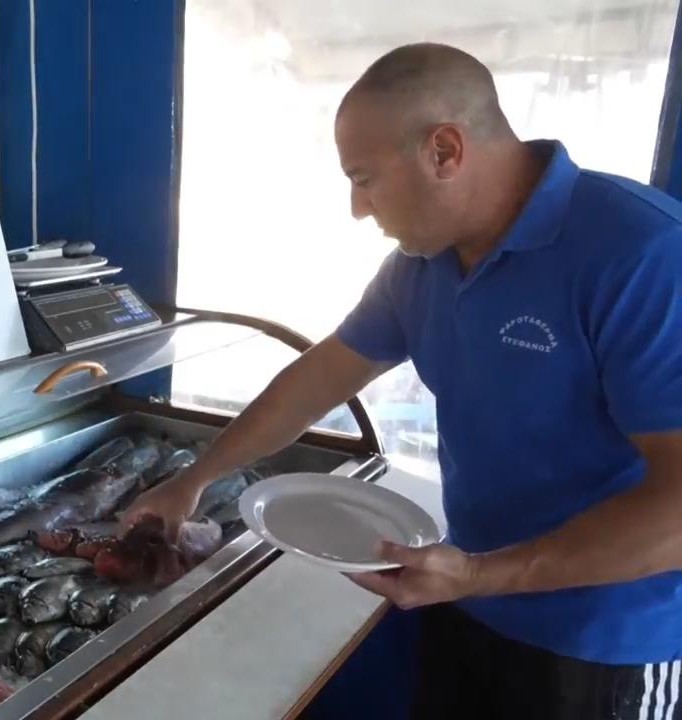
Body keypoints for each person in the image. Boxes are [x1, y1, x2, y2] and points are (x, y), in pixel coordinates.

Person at [122, 43, 682, 718]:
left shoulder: (643, 254)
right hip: (466, 600)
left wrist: (479, 573)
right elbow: (321, 375)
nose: (357, 208)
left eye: (364, 179)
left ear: (444, 151)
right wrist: (194, 479)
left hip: (605, 643)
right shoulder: (421, 265)